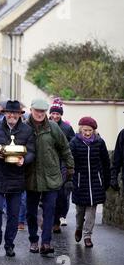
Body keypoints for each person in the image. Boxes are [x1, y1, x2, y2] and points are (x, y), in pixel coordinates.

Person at [0, 101, 35, 257]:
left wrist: (24, 161)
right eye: (9, 113)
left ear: (20, 114)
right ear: (5, 113)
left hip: (16, 178)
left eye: (15, 113)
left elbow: (32, 152)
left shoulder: (27, 130)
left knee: (13, 214)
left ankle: (9, 244)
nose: (11, 116)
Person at [25, 99, 74, 256]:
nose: (40, 114)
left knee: (49, 211)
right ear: (31, 110)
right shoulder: (24, 128)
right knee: (31, 212)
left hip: (51, 176)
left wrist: (70, 166)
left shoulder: (53, 127)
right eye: (36, 111)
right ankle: (33, 239)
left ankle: (46, 242)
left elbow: (65, 148)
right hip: (31, 177)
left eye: (42, 111)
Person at [70, 117, 110, 248]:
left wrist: (106, 180)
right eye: (85, 130)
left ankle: (87, 236)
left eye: (90, 130)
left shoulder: (99, 142)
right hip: (80, 181)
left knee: (91, 211)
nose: (87, 133)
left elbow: (105, 162)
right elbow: (70, 161)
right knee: (80, 211)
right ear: (80, 129)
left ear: (94, 130)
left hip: (95, 181)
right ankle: (78, 228)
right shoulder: (74, 142)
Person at [49, 97, 75, 231]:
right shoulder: (45, 125)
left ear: (61, 115)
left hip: (62, 164)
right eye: (53, 113)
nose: (55, 116)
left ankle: (59, 218)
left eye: (57, 114)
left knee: (61, 195)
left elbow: (73, 145)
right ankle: (52, 221)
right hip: (48, 164)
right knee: (49, 195)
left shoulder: (67, 128)